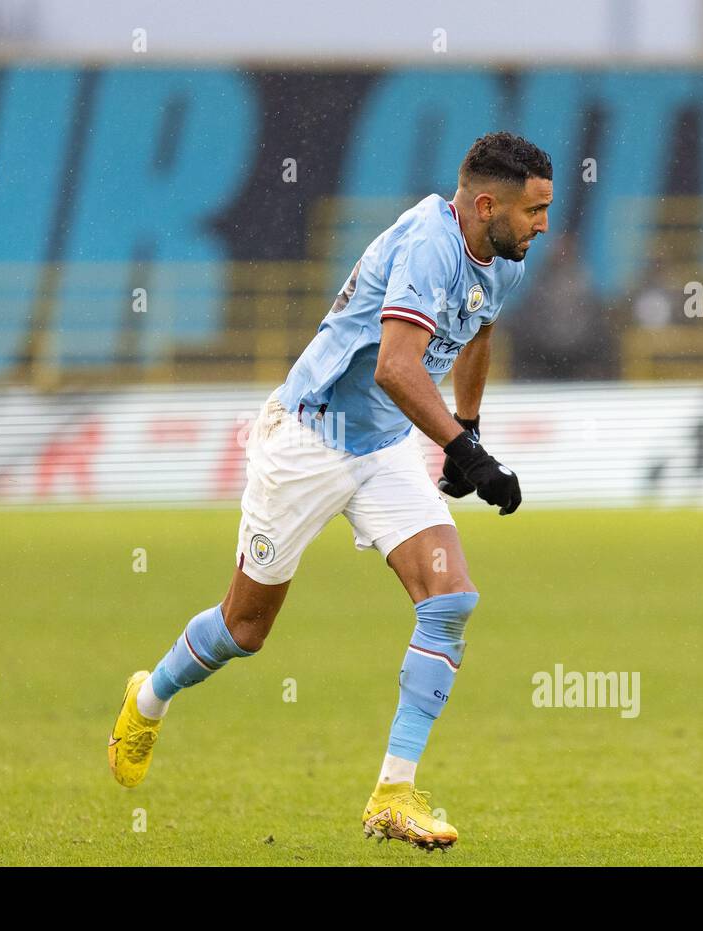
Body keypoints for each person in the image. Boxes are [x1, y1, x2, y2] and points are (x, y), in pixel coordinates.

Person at [108, 131, 553, 851]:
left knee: (450, 600)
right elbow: (396, 369)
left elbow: (476, 336)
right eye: (534, 210)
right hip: (309, 439)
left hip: (382, 449)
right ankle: (149, 696)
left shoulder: (502, 257)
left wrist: (467, 423)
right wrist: (466, 453)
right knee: (245, 631)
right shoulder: (428, 246)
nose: (542, 225)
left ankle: (393, 794)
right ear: (485, 204)